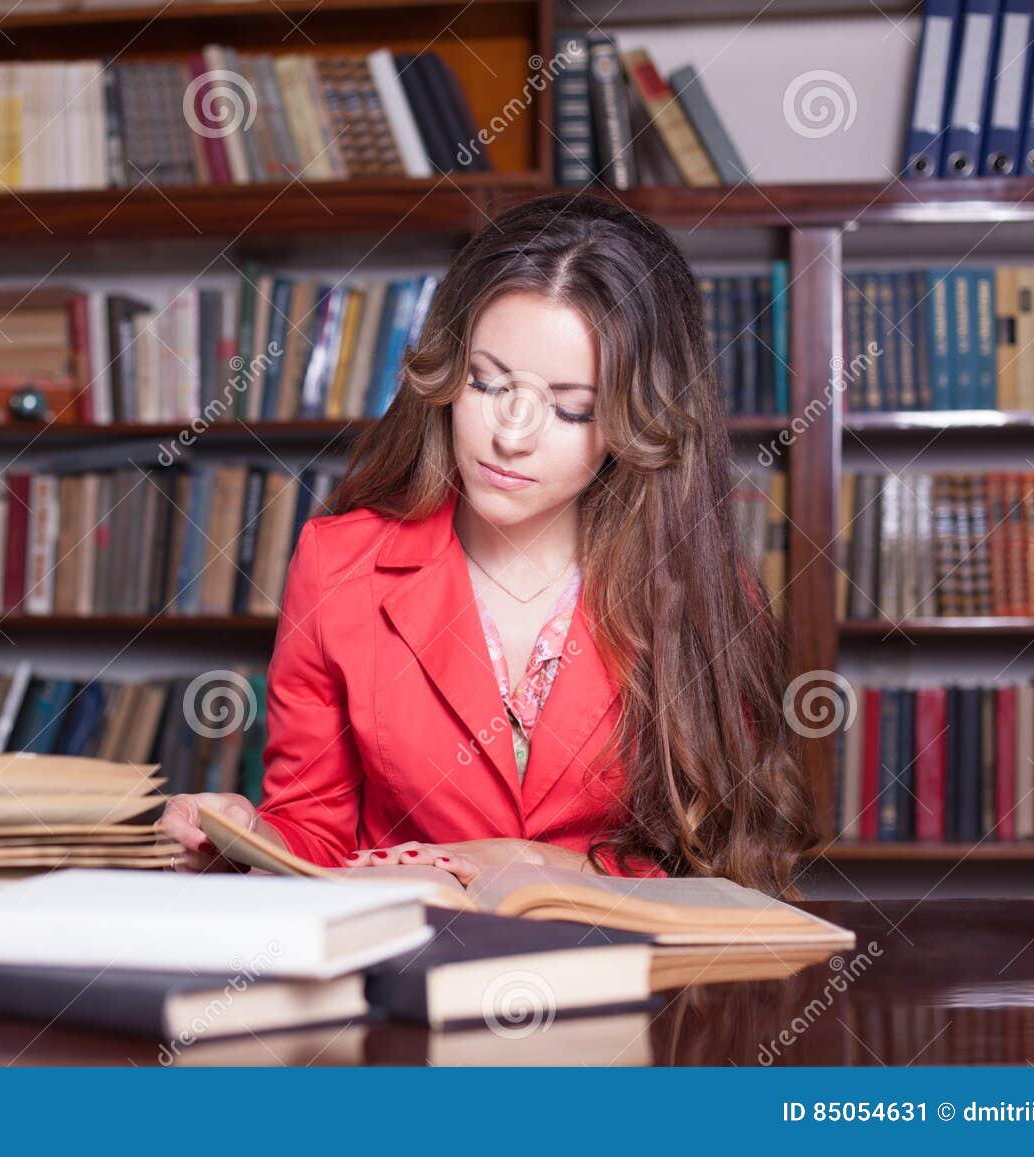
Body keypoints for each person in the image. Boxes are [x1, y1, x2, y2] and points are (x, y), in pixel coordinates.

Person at [157, 191, 816, 895]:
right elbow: (313, 830)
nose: (512, 433)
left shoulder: (703, 590)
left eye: (571, 408)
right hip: (409, 972)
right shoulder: (337, 563)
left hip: (624, 981)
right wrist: (242, 835)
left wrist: (548, 867)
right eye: (487, 381)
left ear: (637, 420)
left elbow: (725, 859)